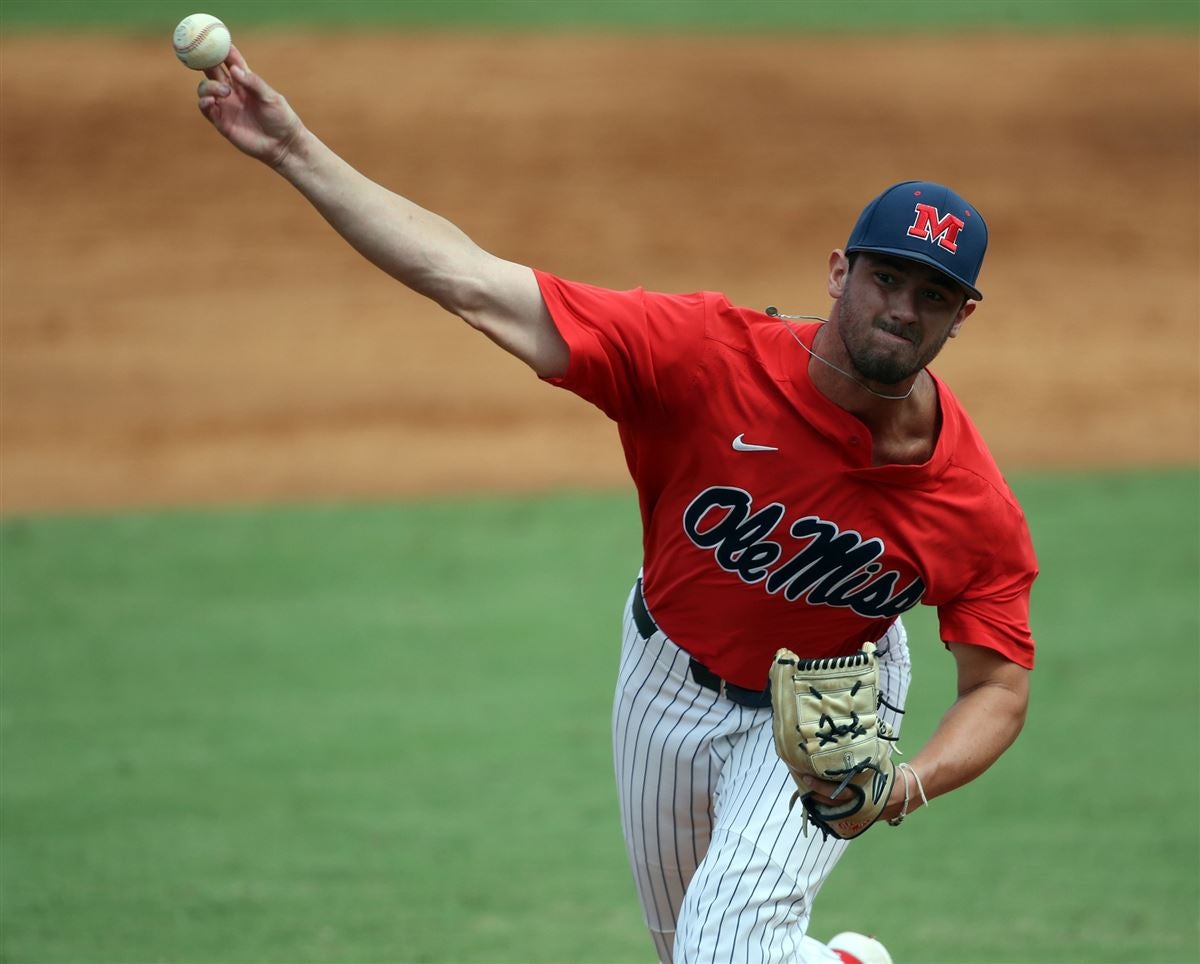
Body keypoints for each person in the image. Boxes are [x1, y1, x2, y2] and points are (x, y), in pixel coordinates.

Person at [194, 45, 1037, 964]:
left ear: (962, 317)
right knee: (694, 956)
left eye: (933, 295)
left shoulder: (968, 498)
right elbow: (471, 279)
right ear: (838, 271)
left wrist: (902, 784)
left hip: (830, 709)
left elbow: (998, 686)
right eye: (886, 278)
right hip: (665, 682)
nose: (902, 310)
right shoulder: (702, 359)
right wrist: (292, 150)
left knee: (721, 954)